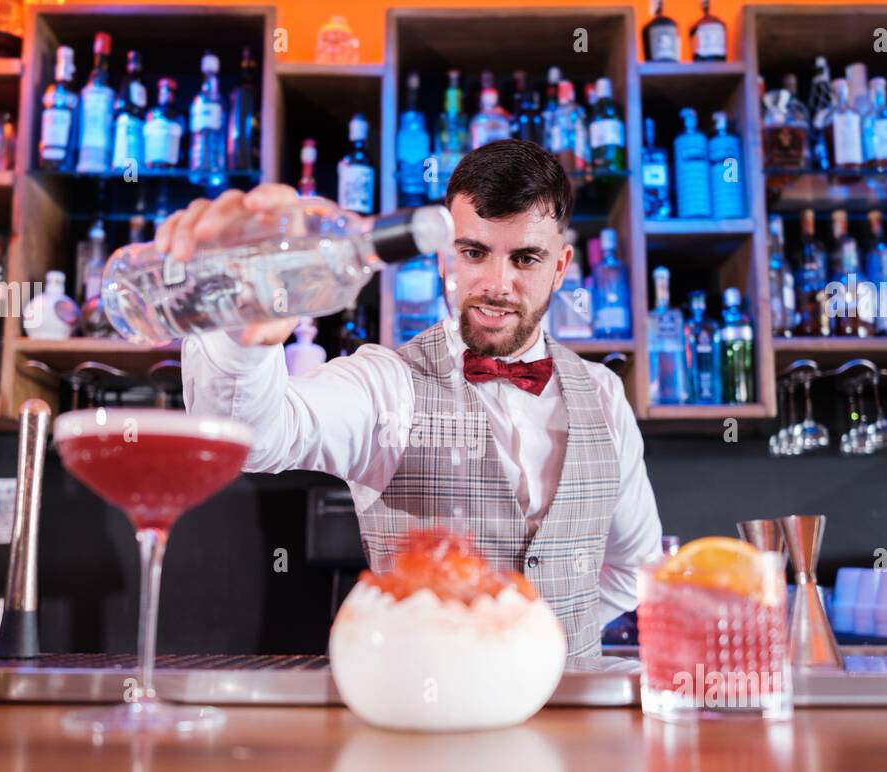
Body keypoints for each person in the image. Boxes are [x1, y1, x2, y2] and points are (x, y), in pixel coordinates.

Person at [160, 139, 661, 657]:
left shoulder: (603, 395)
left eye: (526, 258)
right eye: (474, 252)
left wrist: (538, 642)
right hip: (423, 722)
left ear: (560, 267)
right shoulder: (387, 383)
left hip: (573, 731)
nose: (496, 284)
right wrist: (246, 329)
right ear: (446, 256)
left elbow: (634, 568)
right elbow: (251, 439)